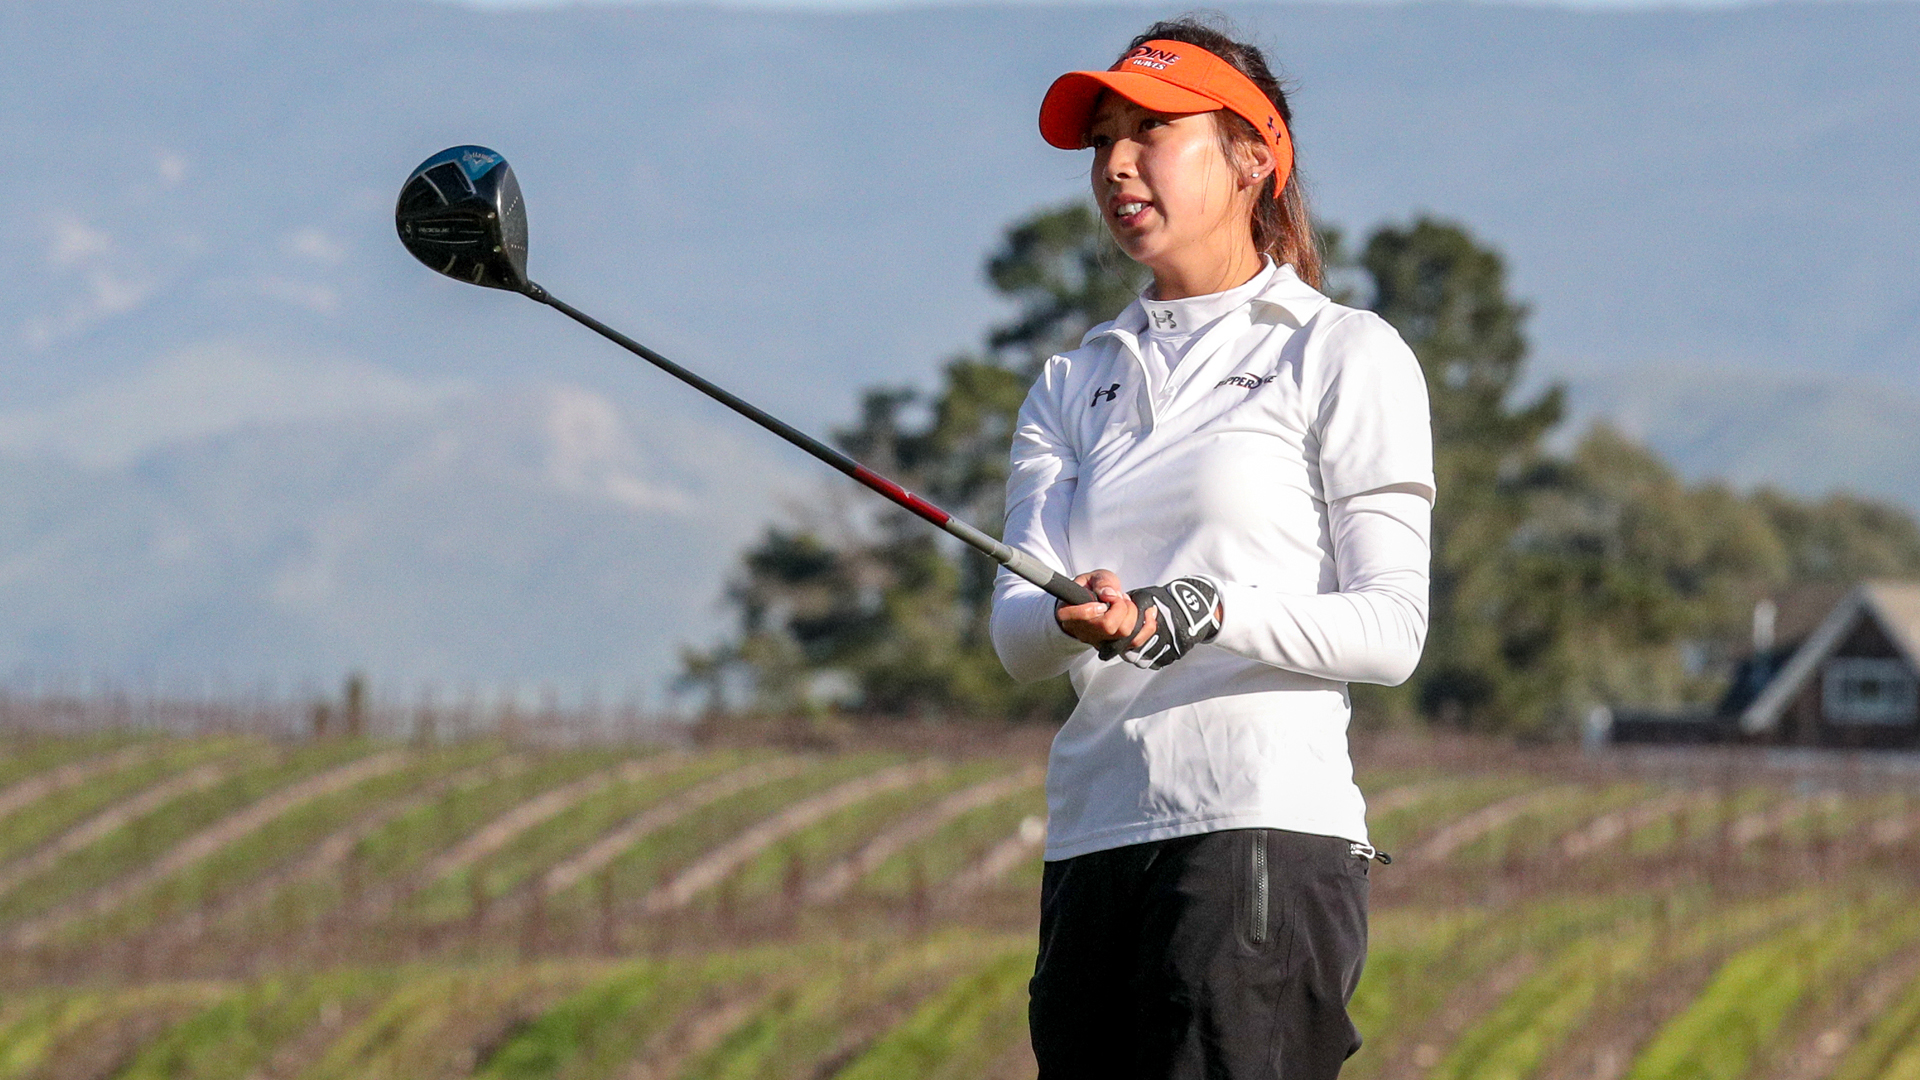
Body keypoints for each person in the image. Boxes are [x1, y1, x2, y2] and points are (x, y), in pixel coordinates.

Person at [988, 18, 1436, 1080]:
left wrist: (1204, 607)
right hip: (1094, 840)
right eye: (1104, 141)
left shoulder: (1338, 353)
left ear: (1253, 158)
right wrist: (1068, 615)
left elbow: (1392, 630)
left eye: (1151, 131)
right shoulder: (1070, 381)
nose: (1117, 165)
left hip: (1258, 836)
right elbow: (1015, 639)